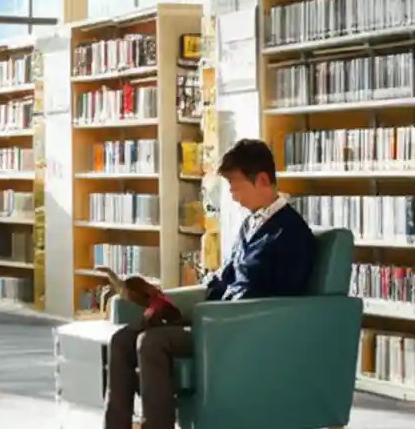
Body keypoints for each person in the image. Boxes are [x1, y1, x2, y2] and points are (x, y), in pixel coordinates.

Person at [104, 138, 317, 429]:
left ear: (263, 180)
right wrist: (167, 301)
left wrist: (220, 312)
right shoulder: (251, 224)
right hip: (215, 319)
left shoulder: (292, 234)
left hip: (239, 330)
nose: (232, 194)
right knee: (123, 339)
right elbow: (225, 276)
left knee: (152, 342)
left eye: (235, 185)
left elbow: (286, 297)